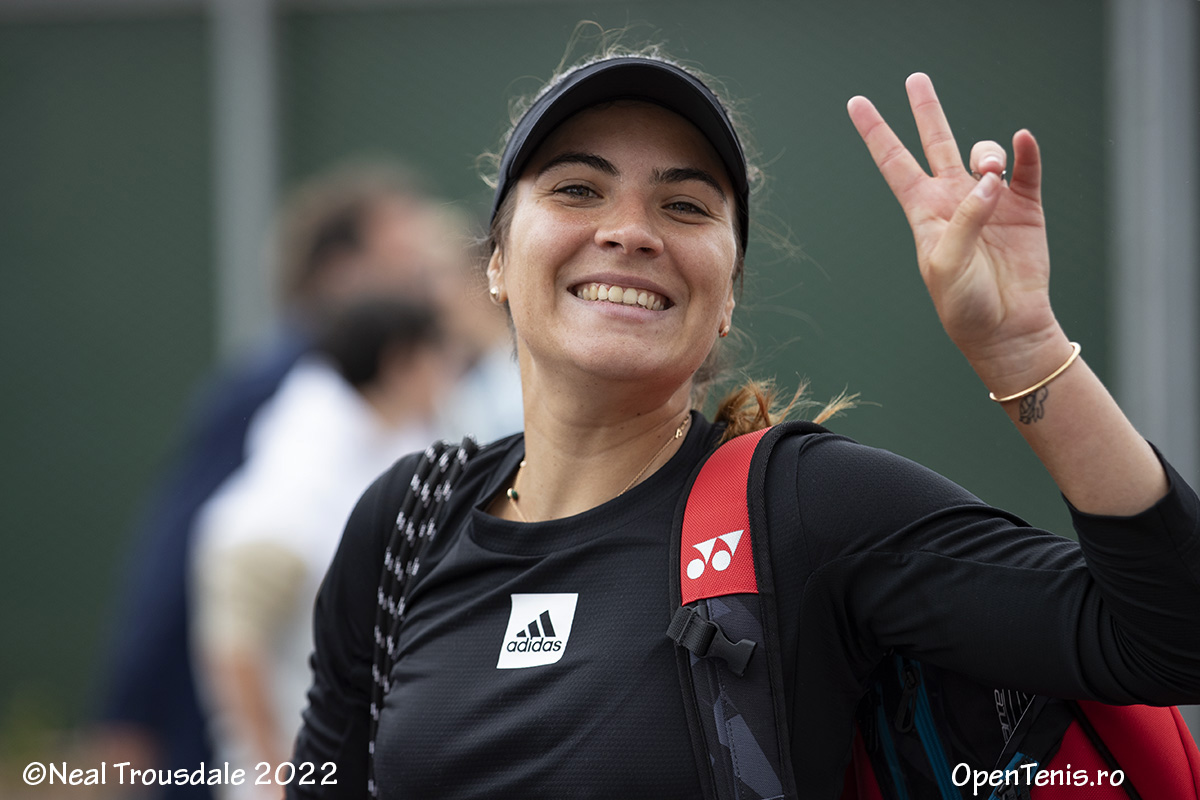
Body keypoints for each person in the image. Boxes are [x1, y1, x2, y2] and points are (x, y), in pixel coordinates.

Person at [289, 48, 1200, 799]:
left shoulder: (803, 509)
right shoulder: (404, 525)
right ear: (494, 264)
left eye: (684, 206)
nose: (632, 231)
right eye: (576, 190)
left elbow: (1173, 640)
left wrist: (1021, 346)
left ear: (725, 298)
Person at [92, 161, 492, 798]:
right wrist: (130, 714)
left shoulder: (414, 412)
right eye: (408, 261)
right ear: (341, 272)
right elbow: (198, 562)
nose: (430, 281)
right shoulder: (288, 392)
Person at [192, 297, 449, 799]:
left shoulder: (395, 438)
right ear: (400, 364)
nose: (449, 376)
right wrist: (276, 776)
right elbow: (235, 650)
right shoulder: (298, 484)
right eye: (437, 358)